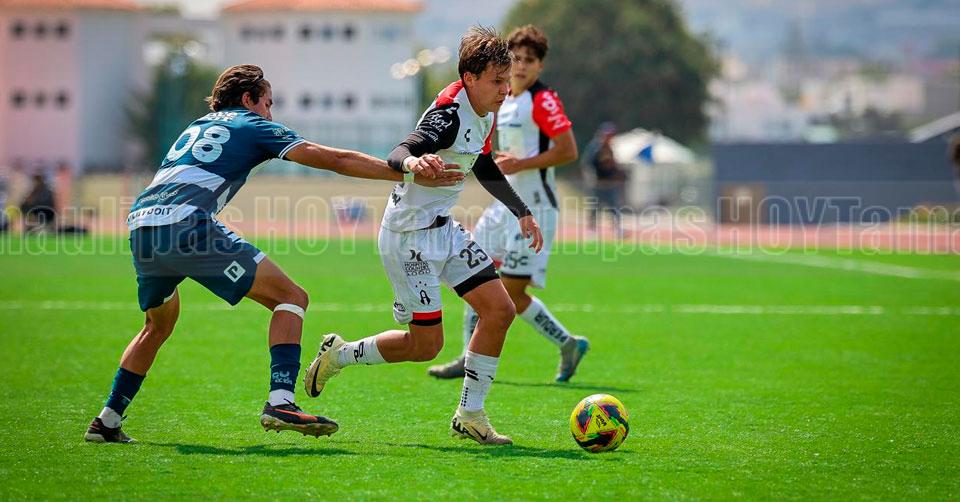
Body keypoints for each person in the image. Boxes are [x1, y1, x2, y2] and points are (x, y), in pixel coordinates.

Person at [83, 64, 463, 443]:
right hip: (185, 226)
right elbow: (332, 159)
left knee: (157, 325)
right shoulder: (251, 124)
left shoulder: (197, 126)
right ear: (248, 100)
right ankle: (281, 401)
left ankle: (108, 420)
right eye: (268, 103)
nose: (271, 113)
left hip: (142, 224)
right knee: (291, 297)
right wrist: (407, 173)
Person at [303, 26, 542, 445]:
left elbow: (483, 163)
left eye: (507, 81)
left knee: (500, 311)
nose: (505, 89)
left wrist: (521, 211)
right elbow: (400, 151)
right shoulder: (448, 113)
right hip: (407, 238)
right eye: (496, 81)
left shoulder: (484, 110)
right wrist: (414, 164)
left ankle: (471, 414)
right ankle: (339, 354)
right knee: (426, 345)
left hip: (443, 230)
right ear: (469, 77)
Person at [427, 25, 589, 383]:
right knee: (474, 276)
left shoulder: (543, 100)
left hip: (537, 207)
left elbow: (568, 150)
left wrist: (521, 163)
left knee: (512, 295)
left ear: (540, 66)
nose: (521, 67)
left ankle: (567, 343)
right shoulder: (504, 99)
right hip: (504, 207)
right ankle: (468, 355)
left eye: (530, 61)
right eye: (516, 59)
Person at [583, 122, 627, 233]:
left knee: (614, 207)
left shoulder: (610, 148)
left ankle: (617, 228)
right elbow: (588, 164)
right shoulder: (595, 148)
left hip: (610, 183)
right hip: (598, 184)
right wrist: (591, 178)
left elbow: (612, 166)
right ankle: (592, 229)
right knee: (594, 207)